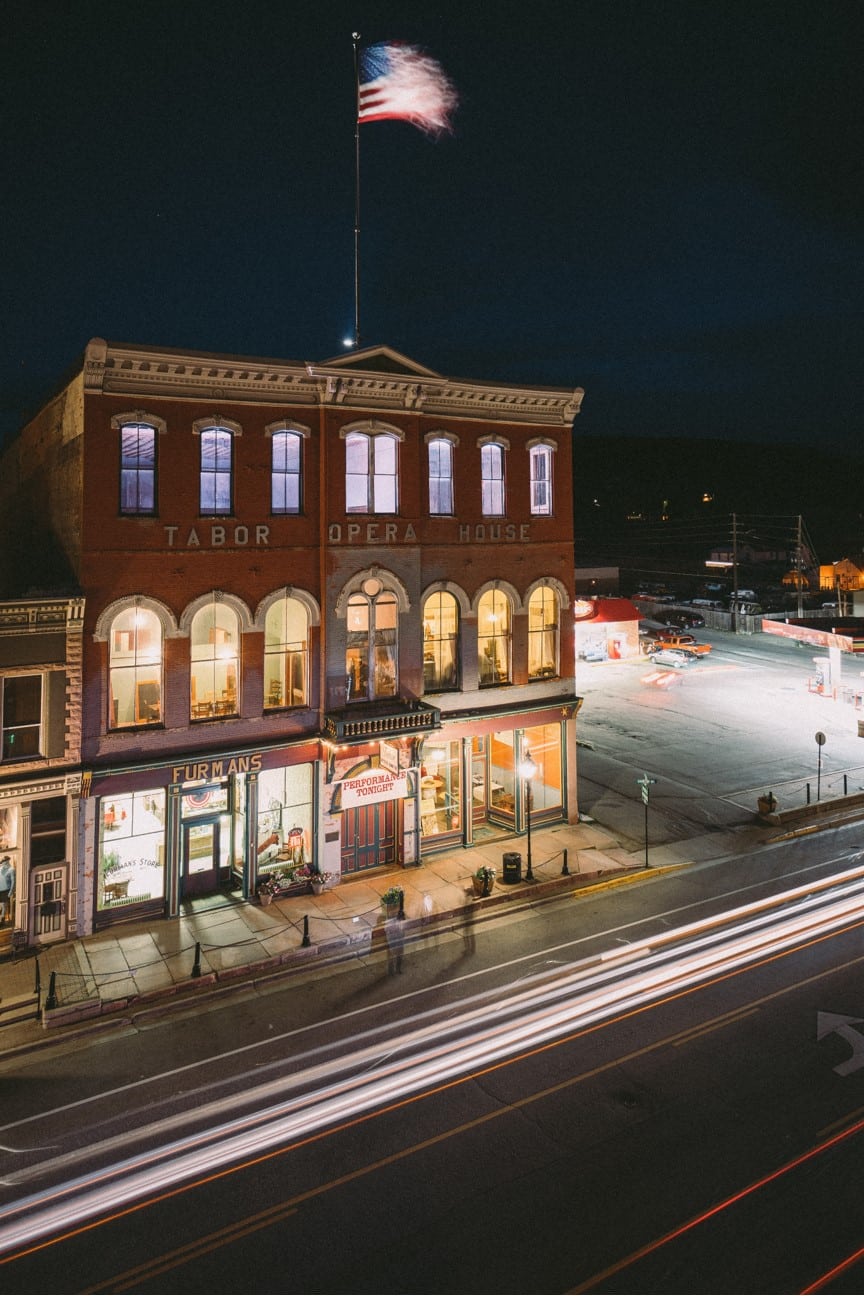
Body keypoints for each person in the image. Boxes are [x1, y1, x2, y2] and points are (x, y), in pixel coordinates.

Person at [0, 856, 14, 925]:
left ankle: (2, 919)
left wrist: (11, 891)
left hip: (5, 890)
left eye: (4, 862)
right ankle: (1, 918)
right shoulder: (1, 869)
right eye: (3, 862)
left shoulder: (11, 870)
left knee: (4, 905)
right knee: (2, 905)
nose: (3, 863)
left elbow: (13, 881)